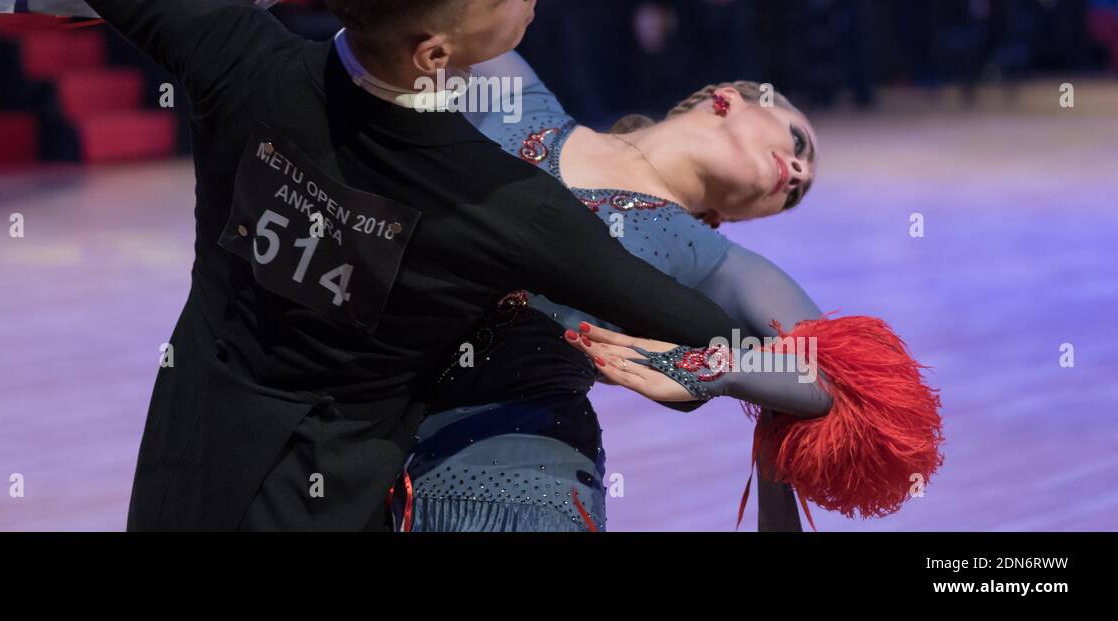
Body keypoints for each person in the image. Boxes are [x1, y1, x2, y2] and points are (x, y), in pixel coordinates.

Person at [5, 0, 750, 531]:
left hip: (184, 464)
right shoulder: (502, 201)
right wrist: (703, 377)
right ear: (434, 51)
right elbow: (710, 329)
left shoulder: (233, 55)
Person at [394, 55, 943, 531]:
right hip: (345, 423)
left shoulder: (715, 261)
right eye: (796, 142)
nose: (796, 172)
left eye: (796, 192)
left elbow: (851, 387)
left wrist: (712, 368)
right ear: (728, 100)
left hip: (509, 479)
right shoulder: (521, 104)